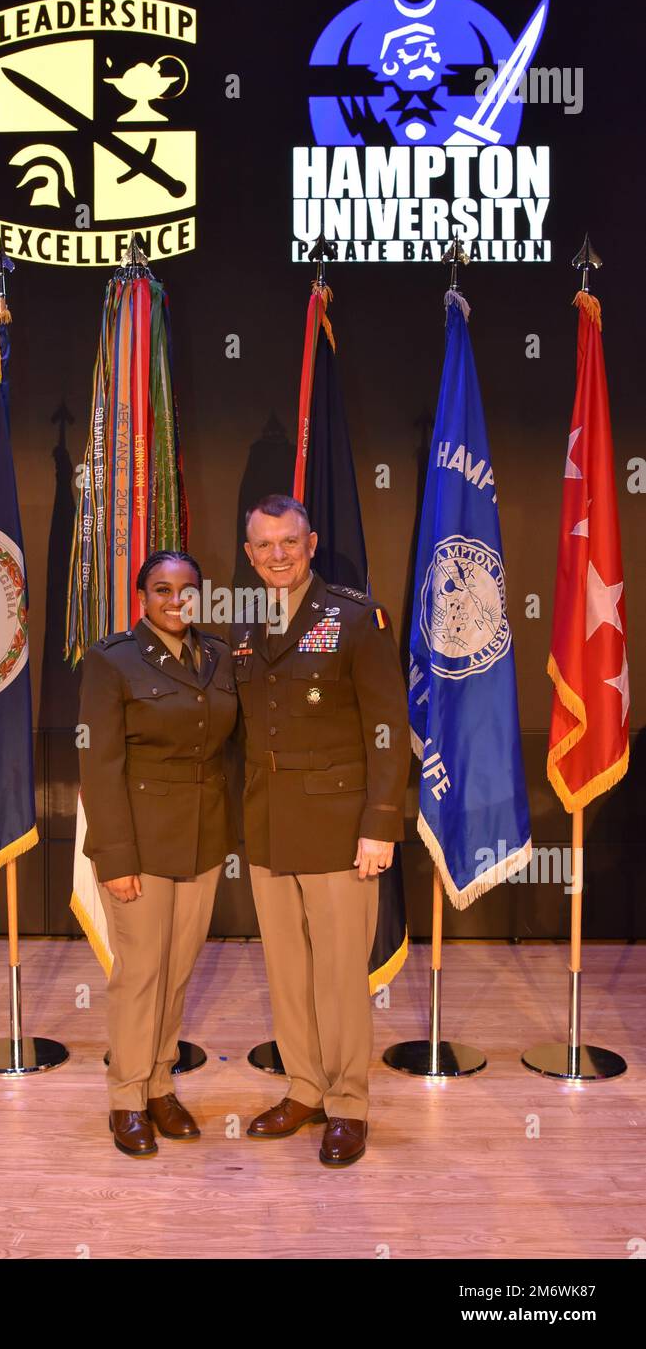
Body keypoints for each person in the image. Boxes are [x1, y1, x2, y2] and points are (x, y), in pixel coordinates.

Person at [231, 495, 410, 1167]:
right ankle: (303, 1088)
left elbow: (386, 732)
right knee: (287, 971)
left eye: (288, 542)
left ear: (309, 544)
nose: (277, 555)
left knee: (339, 975)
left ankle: (348, 1104)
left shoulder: (356, 618)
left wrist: (379, 825)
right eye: (264, 545)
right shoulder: (243, 628)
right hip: (269, 823)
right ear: (249, 556)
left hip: (340, 826)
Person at [78, 551, 238, 1157]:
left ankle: (160, 1083)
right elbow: (99, 764)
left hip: (202, 840)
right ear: (142, 596)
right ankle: (126, 1096)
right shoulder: (111, 660)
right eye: (162, 589)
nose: (177, 601)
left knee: (176, 973)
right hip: (139, 845)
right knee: (140, 974)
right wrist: (114, 857)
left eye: (187, 589)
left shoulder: (220, 656)